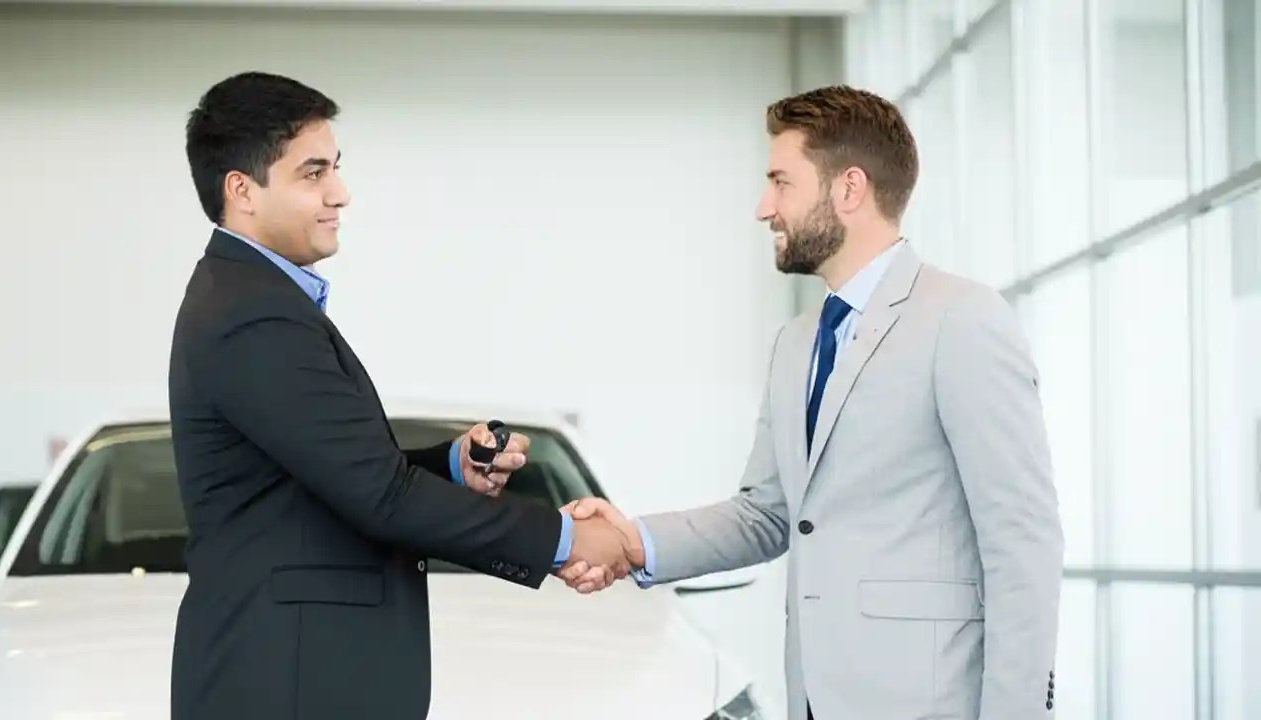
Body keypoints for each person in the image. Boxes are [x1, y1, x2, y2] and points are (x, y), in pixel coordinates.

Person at [559, 85, 1065, 720]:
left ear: (848, 189)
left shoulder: (962, 320)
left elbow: (1022, 543)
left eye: (780, 181)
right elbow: (768, 515)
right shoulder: (797, 342)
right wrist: (634, 541)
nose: (763, 207)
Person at [168, 71, 629, 720]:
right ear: (241, 191)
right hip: (288, 684)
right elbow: (380, 497)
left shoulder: (249, 299)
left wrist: (449, 465)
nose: (340, 193)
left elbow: (329, 479)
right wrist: (562, 540)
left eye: (336, 168)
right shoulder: (253, 314)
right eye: (313, 172)